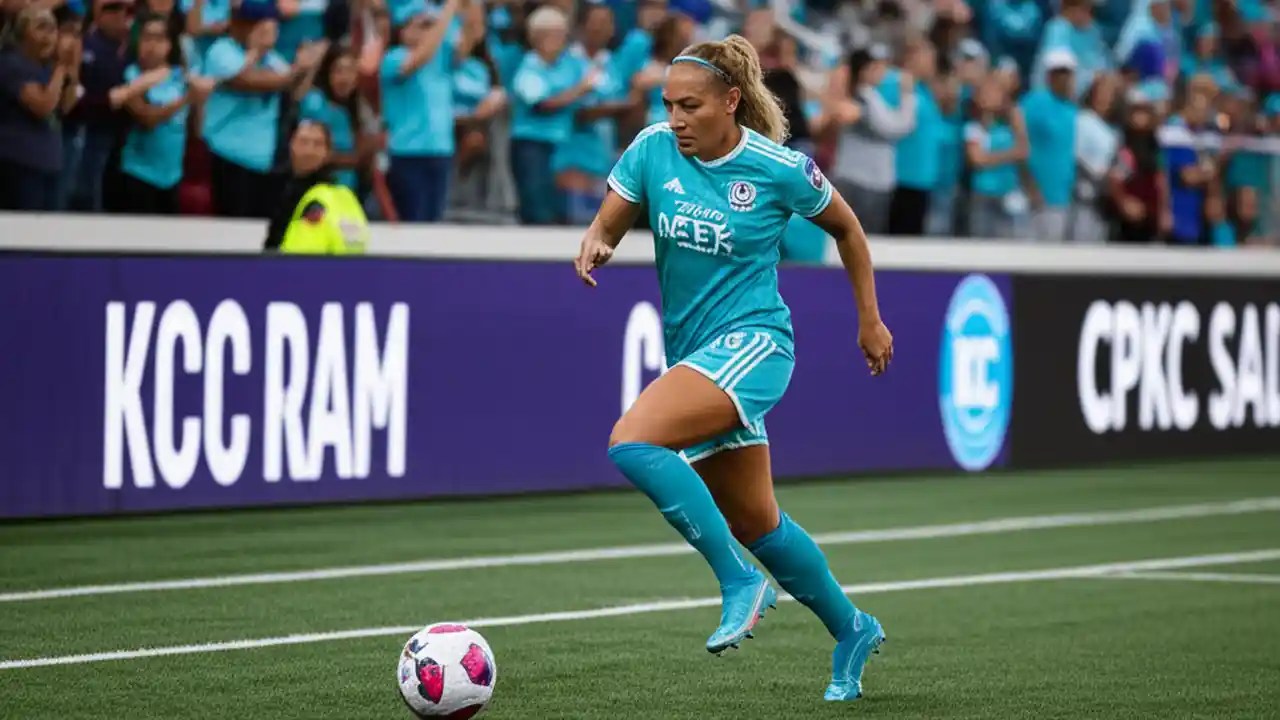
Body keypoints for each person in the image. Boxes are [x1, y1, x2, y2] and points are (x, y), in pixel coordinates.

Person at [572, 35, 894, 702]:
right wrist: (599, 240)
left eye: (691, 105)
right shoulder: (652, 149)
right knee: (757, 520)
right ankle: (853, 627)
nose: (677, 117)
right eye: (668, 104)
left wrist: (869, 319)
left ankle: (739, 582)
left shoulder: (779, 168)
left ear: (731, 101)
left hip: (756, 345)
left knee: (632, 440)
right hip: (694, 353)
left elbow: (849, 231)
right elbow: (612, 219)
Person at [0, 6, 78, 211]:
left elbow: (66, 106)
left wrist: (71, 68)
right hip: (20, 165)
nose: (50, 35)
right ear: (21, 33)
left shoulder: (46, 69)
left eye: (53, 28)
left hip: (50, 162)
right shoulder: (11, 64)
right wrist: (61, 66)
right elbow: (42, 106)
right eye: (41, 27)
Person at [264, 120, 368, 253]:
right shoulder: (275, 186)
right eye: (303, 142)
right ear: (291, 145)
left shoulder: (339, 196)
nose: (309, 151)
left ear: (328, 151)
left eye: (318, 144)